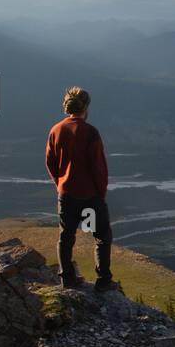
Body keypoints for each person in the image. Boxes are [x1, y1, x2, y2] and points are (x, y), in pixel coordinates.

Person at [45, 86, 118, 292]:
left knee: (66, 236)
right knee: (102, 236)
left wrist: (60, 184)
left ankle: (67, 278)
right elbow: (98, 168)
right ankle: (103, 280)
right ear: (86, 107)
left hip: (66, 195)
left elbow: (50, 163)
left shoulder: (56, 130)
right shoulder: (90, 132)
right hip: (90, 196)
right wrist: (100, 195)